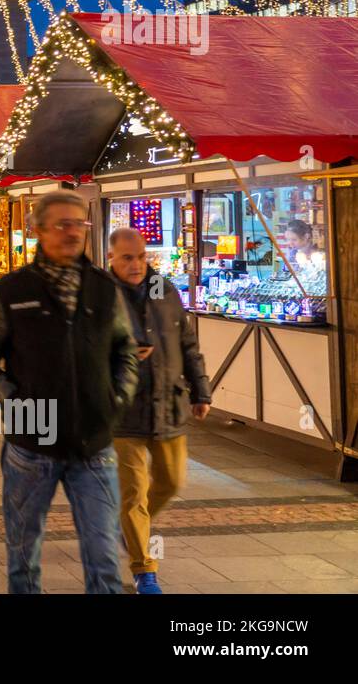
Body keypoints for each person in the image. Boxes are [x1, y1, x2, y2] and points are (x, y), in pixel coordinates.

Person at [0, 191, 138, 594]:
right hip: (31, 448)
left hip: (94, 445)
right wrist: (19, 404)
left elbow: (125, 351)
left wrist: (116, 401)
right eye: (62, 224)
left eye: (80, 223)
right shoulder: (13, 290)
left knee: (105, 561)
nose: (73, 232)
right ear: (39, 231)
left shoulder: (102, 288)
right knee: (23, 559)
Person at [108, 227, 212, 595]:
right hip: (123, 412)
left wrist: (201, 390)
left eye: (141, 256)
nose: (136, 265)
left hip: (169, 405)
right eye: (127, 258)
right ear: (111, 258)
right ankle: (144, 568)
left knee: (171, 482)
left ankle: (130, 528)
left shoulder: (163, 289)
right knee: (133, 493)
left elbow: (187, 342)